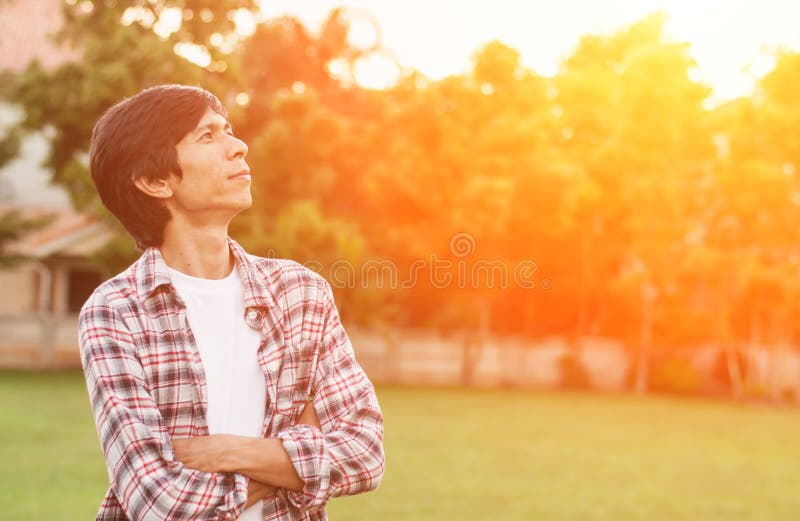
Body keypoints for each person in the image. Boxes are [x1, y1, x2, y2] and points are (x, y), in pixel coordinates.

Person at [78, 84, 385, 521]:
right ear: (155, 180)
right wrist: (292, 456)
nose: (239, 146)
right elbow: (158, 500)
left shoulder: (301, 294)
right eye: (207, 136)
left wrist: (225, 450)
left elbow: (365, 451)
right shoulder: (115, 312)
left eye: (229, 130)